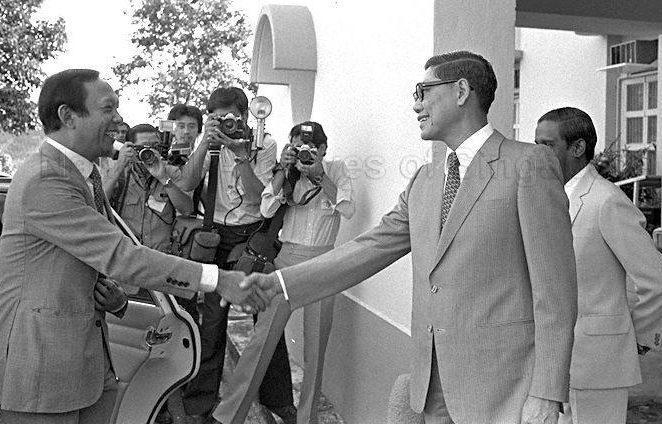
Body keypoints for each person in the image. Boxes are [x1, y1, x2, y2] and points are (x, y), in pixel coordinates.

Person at [240, 51, 578, 424]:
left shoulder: (528, 164)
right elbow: (370, 248)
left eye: (423, 90)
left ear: (462, 90)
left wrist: (546, 393)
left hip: (503, 391)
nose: (415, 104)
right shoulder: (425, 180)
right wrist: (281, 285)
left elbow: (556, 293)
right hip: (431, 387)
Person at [0, 69, 269, 424]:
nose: (119, 119)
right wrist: (218, 279)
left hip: (81, 361)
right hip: (41, 369)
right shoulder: (46, 178)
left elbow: (88, 256)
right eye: (108, 108)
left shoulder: (83, 173)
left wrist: (114, 296)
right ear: (68, 116)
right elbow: (120, 255)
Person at [534, 107, 662, 424]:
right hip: (548, 359)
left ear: (577, 147)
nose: (537, 153)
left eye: (546, 145)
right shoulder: (545, 196)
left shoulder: (606, 201)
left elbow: (659, 280)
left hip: (597, 362)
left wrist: (636, 337)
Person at [213, 121, 354, 424]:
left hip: (323, 264)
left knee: (315, 352)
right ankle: (228, 415)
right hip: (286, 261)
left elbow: (348, 209)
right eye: (298, 147)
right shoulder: (285, 172)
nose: (305, 152)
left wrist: (319, 175)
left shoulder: (337, 169)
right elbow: (265, 210)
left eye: (312, 148)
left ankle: (307, 418)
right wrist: (284, 172)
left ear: (324, 149)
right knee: (260, 341)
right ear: (290, 147)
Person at [178, 87, 295, 421]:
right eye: (219, 119)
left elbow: (261, 199)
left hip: (253, 236)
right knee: (212, 320)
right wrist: (206, 143)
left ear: (247, 116)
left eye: (232, 118)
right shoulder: (208, 145)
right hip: (215, 236)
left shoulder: (264, 145)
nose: (228, 124)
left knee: (267, 316)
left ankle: (277, 399)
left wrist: (242, 154)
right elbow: (186, 185)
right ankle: (199, 403)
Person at [106, 123, 193, 252]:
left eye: (155, 146)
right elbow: (97, 202)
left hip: (161, 254)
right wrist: (119, 166)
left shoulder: (170, 172)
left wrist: (163, 178)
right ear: (131, 148)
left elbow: (187, 210)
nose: (150, 151)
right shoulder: (120, 174)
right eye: (144, 147)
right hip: (127, 253)